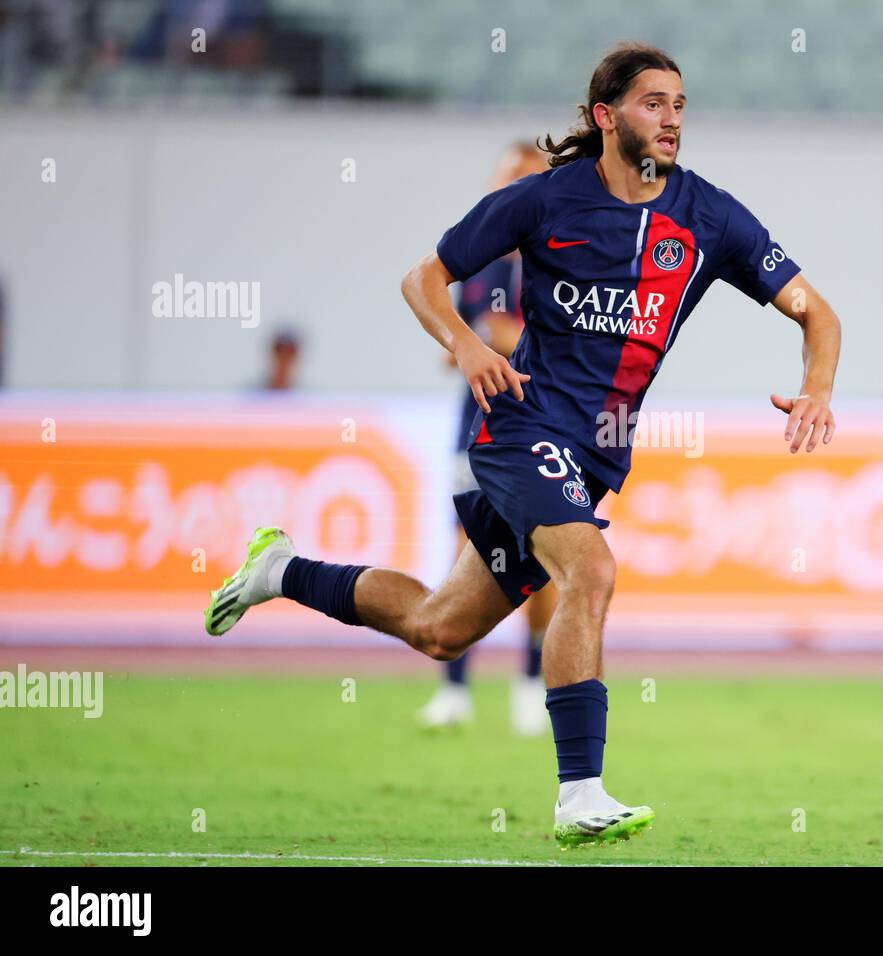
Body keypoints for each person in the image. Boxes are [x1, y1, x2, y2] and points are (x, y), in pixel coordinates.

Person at [204, 42, 842, 848]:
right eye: (654, 103)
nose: (672, 118)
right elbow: (423, 279)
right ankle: (580, 793)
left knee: (441, 627)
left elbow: (819, 314)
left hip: (598, 454)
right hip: (522, 429)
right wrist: (470, 347)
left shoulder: (711, 216)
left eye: (680, 103)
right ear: (607, 117)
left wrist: (817, 386)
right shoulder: (542, 201)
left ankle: (279, 568)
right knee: (594, 569)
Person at [417, 141, 556, 736]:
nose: (512, 189)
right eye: (506, 176)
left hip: (538, 423)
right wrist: (470, 346)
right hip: (474, 422)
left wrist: (497, 339)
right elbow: (462, 338)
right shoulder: (476, 260)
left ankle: (530, 681)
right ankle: (455, 689)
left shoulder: (562, 258)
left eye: (524, 178)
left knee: (547, 554)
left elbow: (536, 343)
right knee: (462, 546)